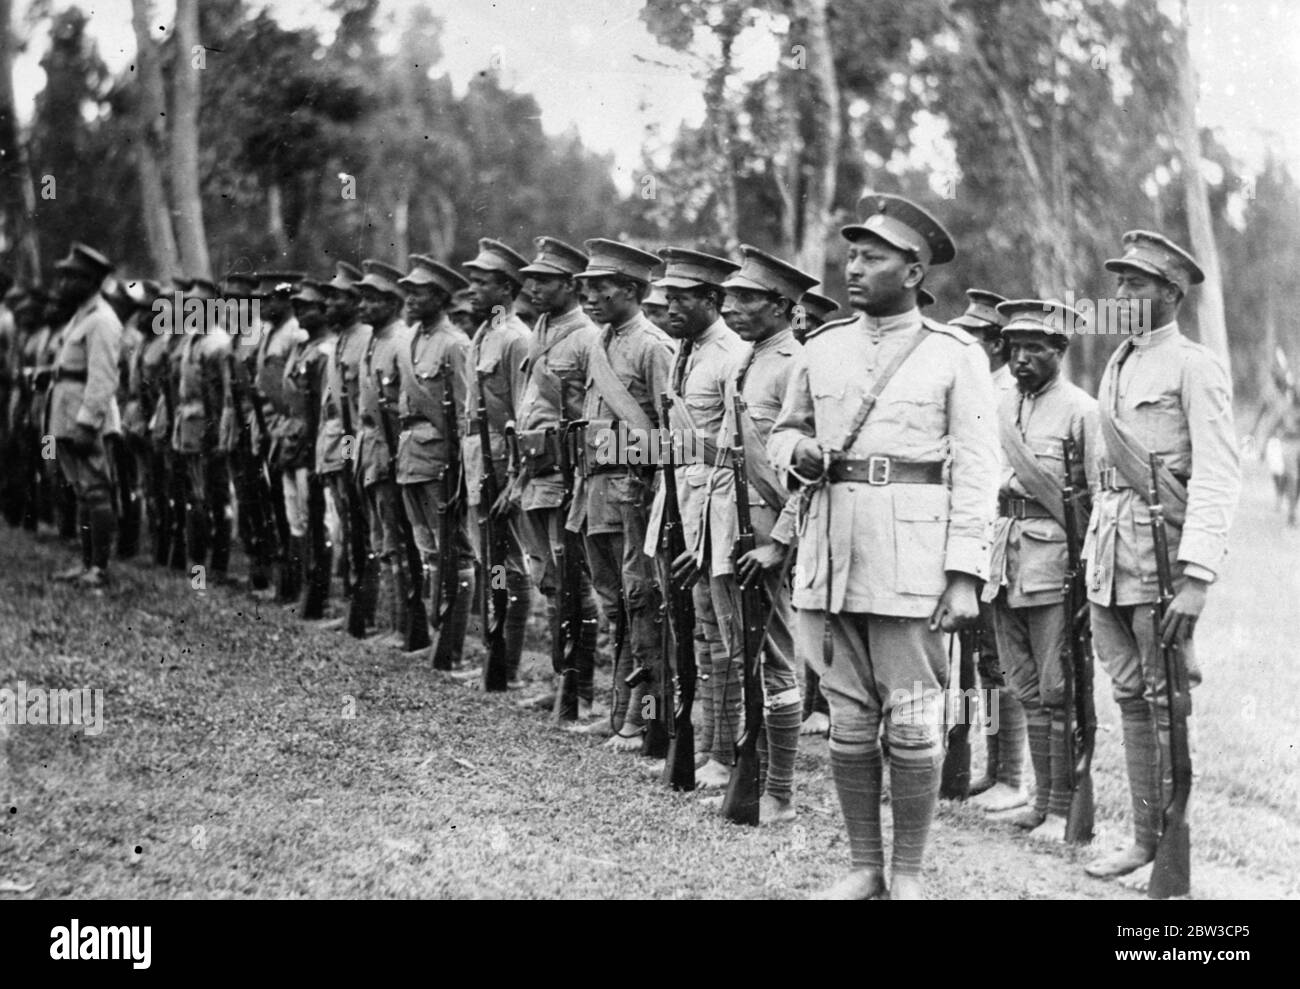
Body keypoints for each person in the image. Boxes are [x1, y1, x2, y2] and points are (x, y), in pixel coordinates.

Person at [768, 194, 999, 899]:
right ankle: (865, 866)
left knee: (913, 713)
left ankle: (911, 873)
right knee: (849, 715)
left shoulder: (954, 355)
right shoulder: (821, 346)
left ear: (914, 268)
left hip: (912, 561)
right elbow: (782, 432)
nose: (854, 267)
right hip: (832, 555)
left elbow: (978, 467)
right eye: (852, 255)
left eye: (872, 257)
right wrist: (797, 451)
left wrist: (965, 574)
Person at [1082, 231, 1241, 880]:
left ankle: (1172, 857)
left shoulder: (1194, 365)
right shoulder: (1116, 362)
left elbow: (1218, 474)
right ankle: (1145, 837)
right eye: (1119, 282)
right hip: (1110, 555)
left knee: (1166, 699)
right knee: (1128, 694)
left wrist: (1198, 575)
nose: (1121, 294)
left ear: (1171, 294)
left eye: (1136, 284)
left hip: (1162, 560)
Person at [981, 298, 1099, 842]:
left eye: (1035, 348)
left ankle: (1061, 808)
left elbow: (1095, 501)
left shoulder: (1081, 411)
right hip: (1003, 556)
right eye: (1014, 347)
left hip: (1055, 562)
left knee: (1058, 686)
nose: (1020, 358)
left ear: (1060, 351)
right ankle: (1039, 799)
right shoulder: (1001, 405)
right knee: (1023, 684)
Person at [713, 244, 819, 822]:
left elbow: (807, 472)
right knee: (744, 653)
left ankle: (779, 791)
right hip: (734, 525)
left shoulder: (797, 363)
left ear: (781, 306)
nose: (731, 308)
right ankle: (748, 774)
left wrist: (779, 540)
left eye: (746, 299)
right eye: (728, 297)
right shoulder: (746, 361)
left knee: (775, 657)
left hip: (770, 532)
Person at [570, 239, 673, 742]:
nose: (588, 298)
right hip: (594, 492)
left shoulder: (654, 347)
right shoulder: (599, 343)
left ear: (632, 290)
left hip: (634, 495)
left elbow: (674, 438)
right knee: (615, 605)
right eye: (584, 289)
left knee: (640, 603)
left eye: (600, 289)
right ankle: (620, 712)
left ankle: (644, 718)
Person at [654, 247, 747, 789]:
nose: (670, 309)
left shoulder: (731, 355)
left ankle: (726, 751)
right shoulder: (683, 354)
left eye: (682, 299)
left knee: (726, 632)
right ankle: (707, 744)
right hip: (685, 503)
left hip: (719, 504)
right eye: (667, 299)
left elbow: (739, 447)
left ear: (712, 300)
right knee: (702, 632)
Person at [507, 237, 602, 720]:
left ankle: (581, 691)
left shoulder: (585, 337)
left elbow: (590, 414)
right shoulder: (540, 329)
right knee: (549, 581)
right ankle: (560, 681)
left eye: (543, 280)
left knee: (573, 583)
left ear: (570, 284)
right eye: (529, 279)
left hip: (565, 475)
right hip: (534, 471)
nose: (531, 287)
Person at [950, 288, 1029, 811]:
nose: (967, 346)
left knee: (1002, 664)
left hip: (1004, 538)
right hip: (980, 538)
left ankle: (1010, 775)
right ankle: (991, 768)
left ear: (996, 346)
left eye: (976, 339)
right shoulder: (980, 390)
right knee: (983, 662)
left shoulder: (1006, 394)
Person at [459, 239, 534, 688]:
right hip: (476, 461)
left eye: (482, 283)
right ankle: (494, 657)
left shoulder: (515, 340)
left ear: (506, 288)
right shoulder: (484, 334)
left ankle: (506, 667)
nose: (472, 290)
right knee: (490, 561)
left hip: (502, 465)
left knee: (510, 564)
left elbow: (523, 415)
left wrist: (517, 478)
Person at [393, 255, 475, 665]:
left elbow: (464, 412)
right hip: (411, 456)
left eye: (418, 293)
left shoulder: (455, 344)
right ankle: (435, 640)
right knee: (428, 550)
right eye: (407, 292)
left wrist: (461, 473)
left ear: (440, 299)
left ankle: (452, 650)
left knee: (453, 554)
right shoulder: (411, 340)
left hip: (441, 461)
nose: (408, 299)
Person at [47, 243, 124, 588]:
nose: (63, 284)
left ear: (90, 281)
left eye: (71, 277)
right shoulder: (82, 317)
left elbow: (102, 378)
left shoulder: (103, 321)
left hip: (82, 415)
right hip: (66, 411)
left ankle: (100, 568)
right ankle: (86, 562)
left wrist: (87, 422)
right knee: (82, 491)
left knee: (95, 490)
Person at [355, 260, 416, 645]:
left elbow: (402, 407)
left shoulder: (399, 343)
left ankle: (406, 627)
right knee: (384, 540)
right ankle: (394, 625)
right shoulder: (375, 341)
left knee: (399, 540)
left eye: (372, 300)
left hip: (395, 453)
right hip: (373, 452)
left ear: (394, 304)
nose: (363, 307)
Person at [172, 278, 233, 585]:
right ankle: (199, 567)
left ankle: (217, 568)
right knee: (196, 500)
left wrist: (218, 434)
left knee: (215, 499)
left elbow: (222, 396)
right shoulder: (193, 338)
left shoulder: (217, 343)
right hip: (190, 426)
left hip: (210, 428)